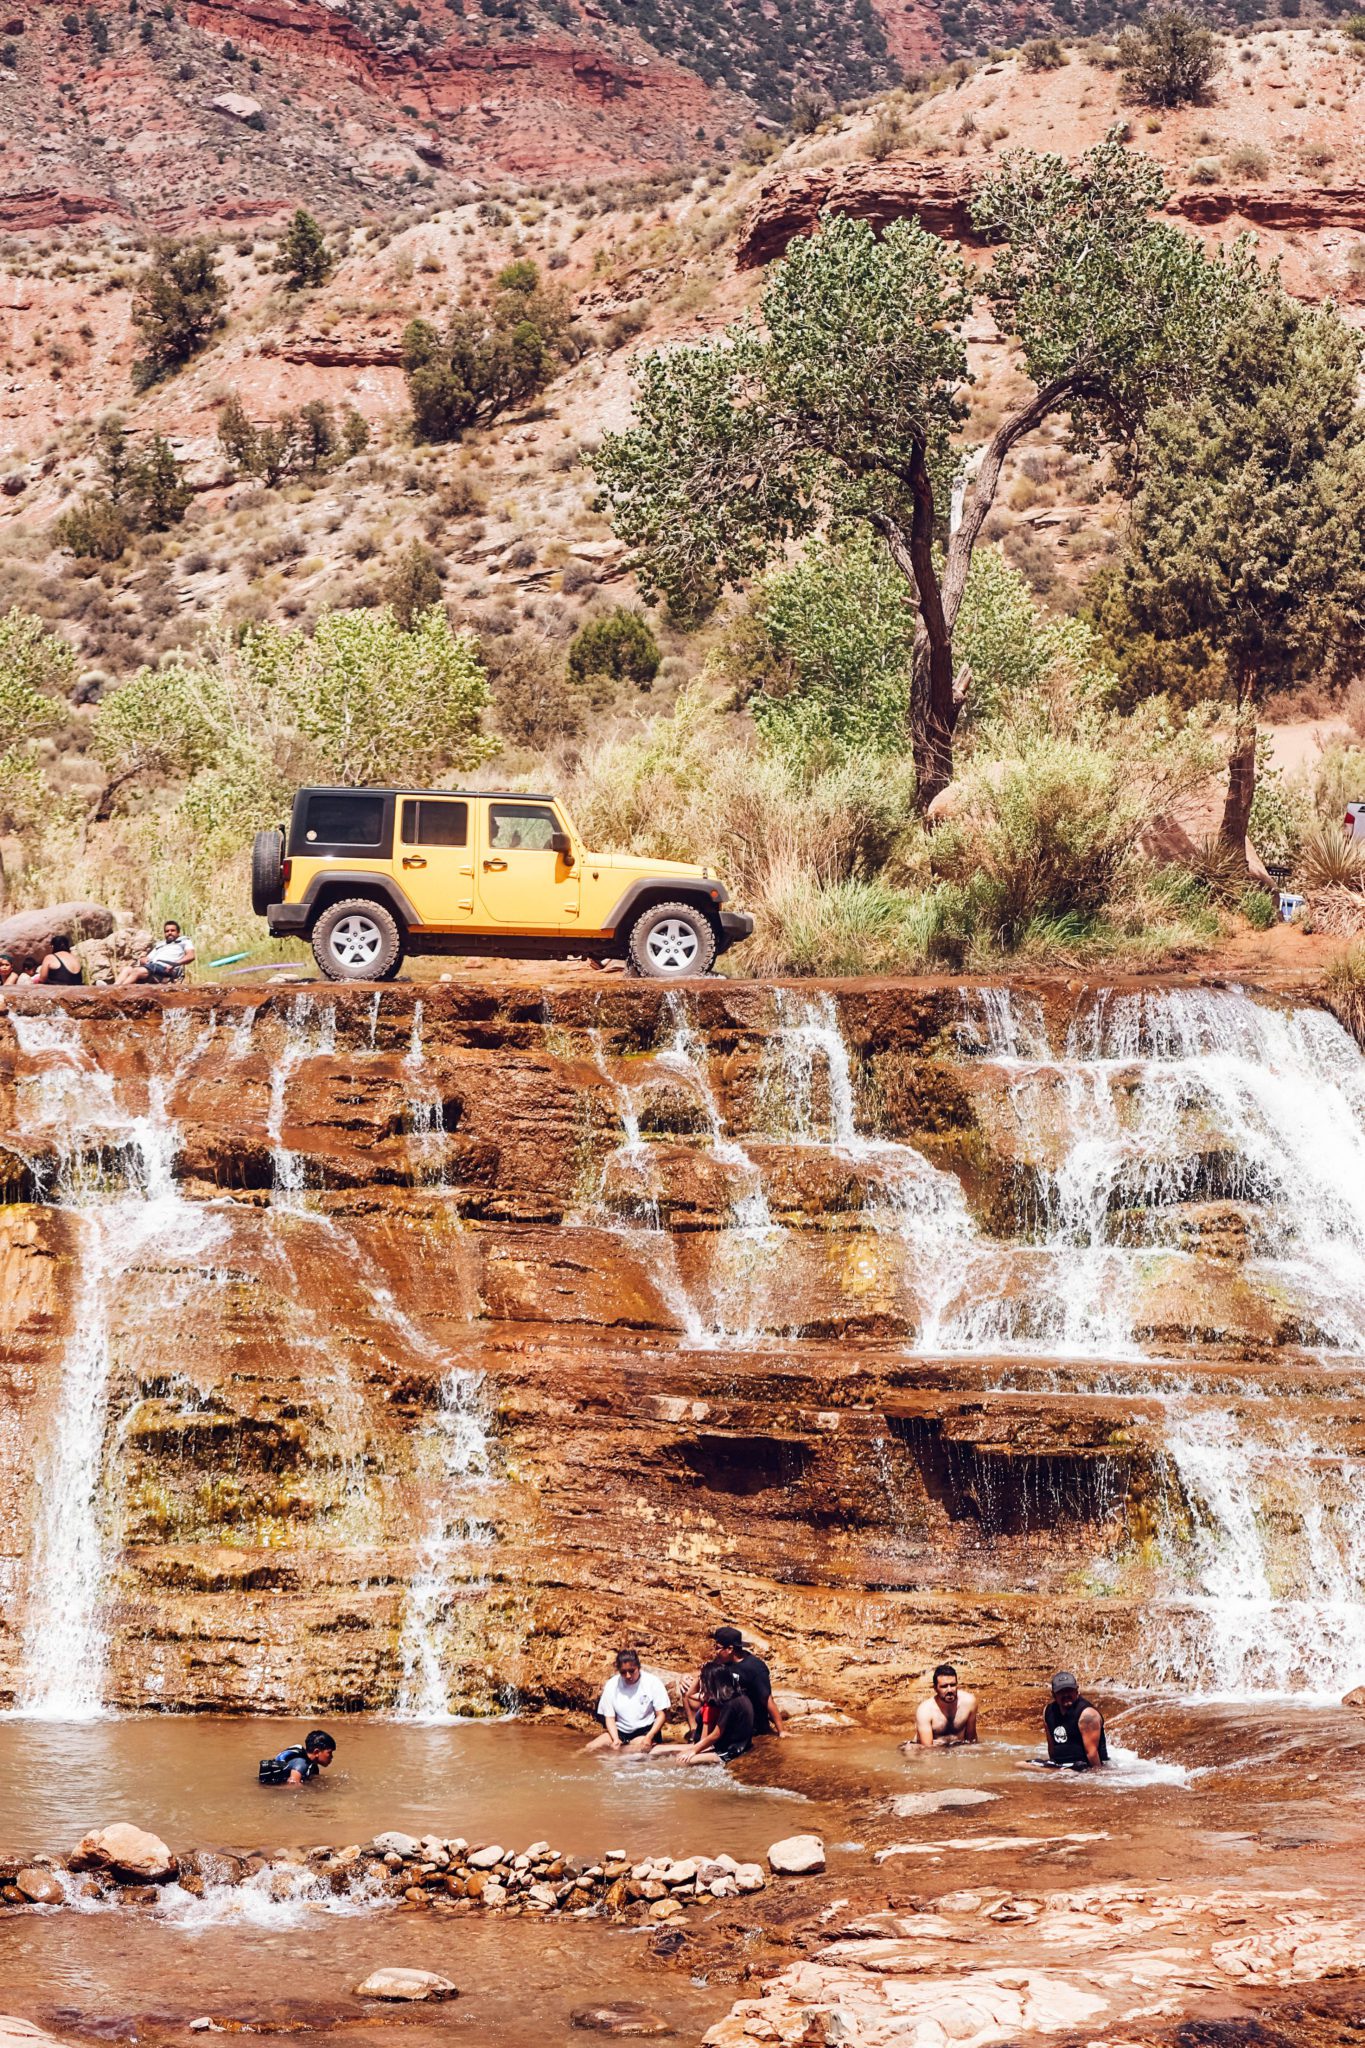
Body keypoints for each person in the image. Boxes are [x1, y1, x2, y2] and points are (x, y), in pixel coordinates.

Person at [583, 1648, 670, 1754]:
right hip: (620, 1732)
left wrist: (649, 1737)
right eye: (623, 1672)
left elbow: (661, 1715)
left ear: (638, 1667)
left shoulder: (653, 1683)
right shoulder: (612, 1685)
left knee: (632, 1751)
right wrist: (615, 1739)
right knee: (590, 1748)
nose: (628, 1676)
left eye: (632, 1671)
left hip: (644, 1731)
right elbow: (609, 1717)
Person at [702, 1627, 785, 1738]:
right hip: (728, 1716)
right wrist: (687, 1676)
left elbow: (767, 1699)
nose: (715, 1652)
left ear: (730, 1649)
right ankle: (695, 1735)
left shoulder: (754, 1668)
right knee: (692, 1699)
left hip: (750, 1723)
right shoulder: (723, 1661)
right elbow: (707, 1673)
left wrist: (781, 1730)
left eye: (718, 1648)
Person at [672, 1659, 754, 1766]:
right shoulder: (728, 1696)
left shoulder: (731, 1703)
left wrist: (694, 1750)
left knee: (682, 1761)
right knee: (683, 1755)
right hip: (725, 1746)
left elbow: (715, 1735)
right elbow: (690, 1695)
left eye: (704, 1681)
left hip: (734, 1751)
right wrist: (699, 1674)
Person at [1041, 1671, 1109, 1770]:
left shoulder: (1087, 1715)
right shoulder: (1048, 1711)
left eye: (1069, 1690)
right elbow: (1051, 1747)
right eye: (1061, 1692)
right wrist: (1052, 1766)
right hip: (1061, 1766)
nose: (1066, 1695)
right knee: (1021, 1765)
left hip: (1082, 1766)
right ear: (1053, 1694)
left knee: (1066, 1773)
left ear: (1077, 1691)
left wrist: (1097, 1777)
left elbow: (1092, 1753)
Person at [914, 1663, 979, 1748]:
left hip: (957, 1748)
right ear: (935, 1688)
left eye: (952, 1685)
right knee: (909, 1750)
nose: (949, 1690)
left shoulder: (969, 1702)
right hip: (932, 1749)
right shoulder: (925, 1710)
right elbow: (927, 1750)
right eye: (944, 1686)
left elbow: (971, 1740)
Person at [115, 920, 195, 987]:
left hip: (166, 967)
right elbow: (147, 958)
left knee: (136, 971)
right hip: (153, 966)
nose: (169, 933)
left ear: (178, 933)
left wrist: (174, 964)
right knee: (127, 969)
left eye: (172, 930)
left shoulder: (184, 941)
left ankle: (118, 991)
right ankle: (111, 989)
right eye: (167, 931)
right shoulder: (160, 945)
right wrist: (143, 960)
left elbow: (191, 956)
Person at [259, 1729, 337, 1785]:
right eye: (329, 1753)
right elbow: (292, 1785)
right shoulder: (301, 1763)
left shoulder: (313, 1766)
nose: (331, 1757)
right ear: (316, 1752)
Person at [17, 934, 85, 988]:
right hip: (74, 990)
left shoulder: (50, 958)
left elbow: (42, 979)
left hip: (58, 991)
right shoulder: (75, 958)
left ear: (53, 946)